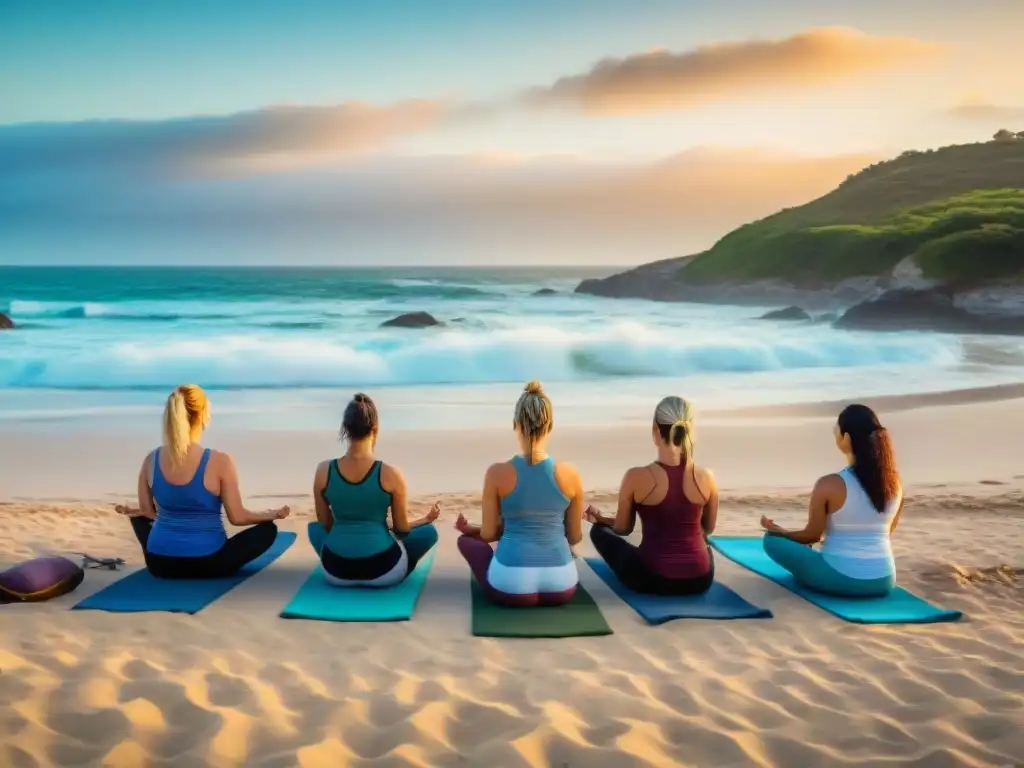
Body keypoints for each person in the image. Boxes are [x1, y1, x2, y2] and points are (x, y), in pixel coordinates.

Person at [116, 384, 289, 579]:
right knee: (268, 530)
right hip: (207, 563)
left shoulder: (151, 459)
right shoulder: (219, 461)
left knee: (139, 518)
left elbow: (147, 512)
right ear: (204, 415)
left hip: (159, 564)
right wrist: (270, 515)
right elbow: (237, 517)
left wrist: (133, 510)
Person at [455, 380, 584, 606]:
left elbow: (488, 535)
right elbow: (574, 537)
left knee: (467, 541)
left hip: (511, 585)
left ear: (516, 424)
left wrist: (471, 530)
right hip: (562, 583)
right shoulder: (570, 474)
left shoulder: (497, 473)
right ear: (551, 425)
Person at [760, 404, 903, 597]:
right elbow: (887, 531)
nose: (834, 436)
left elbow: (812, 535)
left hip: (841, 577)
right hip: (884, 579)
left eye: (836, 431)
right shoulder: (895, 484)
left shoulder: (829, 484)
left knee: (771, 541)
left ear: (846, 438)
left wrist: (780, 531)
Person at [586, 396, 718, 595]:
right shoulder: (707, 477)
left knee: (599, 532)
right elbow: (708, 528)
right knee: (701, 540)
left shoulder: (635, 476)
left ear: (656, 430)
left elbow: (623, 529)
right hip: (701, 580)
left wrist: (600, 519)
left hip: (653, 579)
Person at [310, 393, 439, 587]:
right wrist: (424, 520)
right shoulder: (391, 473)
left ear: (345, 428)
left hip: (335, 571)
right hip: (382, 571)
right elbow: (401, 529)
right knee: (428, 532)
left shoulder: (323, 470)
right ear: (375, 429)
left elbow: (325, 524)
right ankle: (400, 570)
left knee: (313, 529)